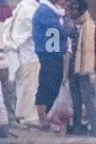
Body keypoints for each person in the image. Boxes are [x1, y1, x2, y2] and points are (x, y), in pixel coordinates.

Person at [67, 0, 96, 136]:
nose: (71, 11)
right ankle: (77, 129)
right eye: (70, 8)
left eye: (74, 9)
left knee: (87, 100)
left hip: (86, 69)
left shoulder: (91, 26)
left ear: (82, 10)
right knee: (75, 100)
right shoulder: (70, 26)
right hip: (71, 69)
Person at [32, 0, 66, 129]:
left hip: (55, 53)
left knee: (54, 84)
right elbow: (58, 32)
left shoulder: (53, 12)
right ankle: (42, 119)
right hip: (48, 53)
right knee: (47, 84)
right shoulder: (44, 11)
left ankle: (47, 116)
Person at [7, 0, 40, 125]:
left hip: (28, 55)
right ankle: (26, 118)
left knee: (28, 86)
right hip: (29, 55)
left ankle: (26, 116)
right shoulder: (28, 8)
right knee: (28, 87)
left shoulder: (26, 7)